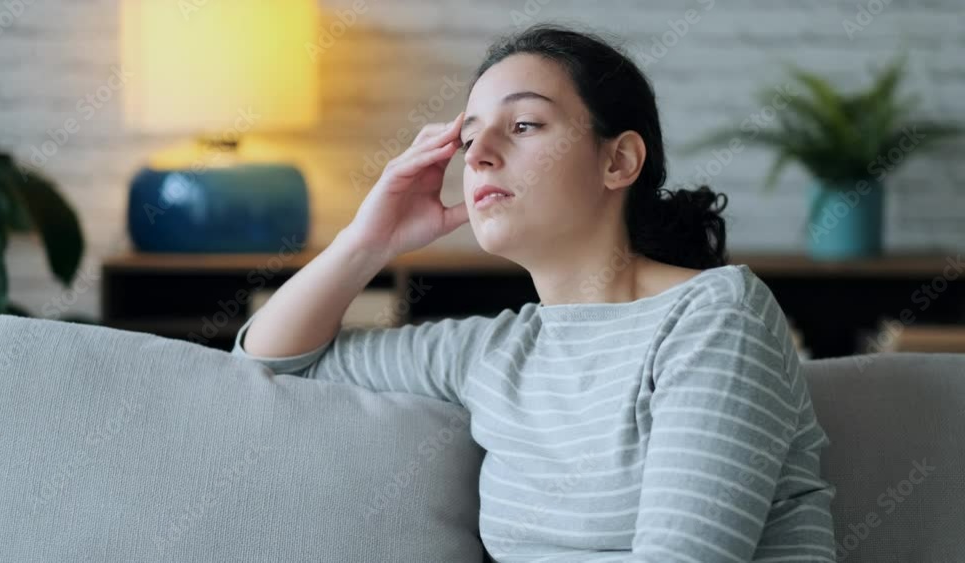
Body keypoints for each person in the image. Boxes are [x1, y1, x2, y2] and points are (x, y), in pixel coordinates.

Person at [232, 23, 837, 563]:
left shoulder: (716, 316)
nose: (479, 156)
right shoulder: (491, 353)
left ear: (619, 161)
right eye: (468, 140)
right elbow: (270, 362)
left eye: (523, 125)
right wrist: (368, 242)